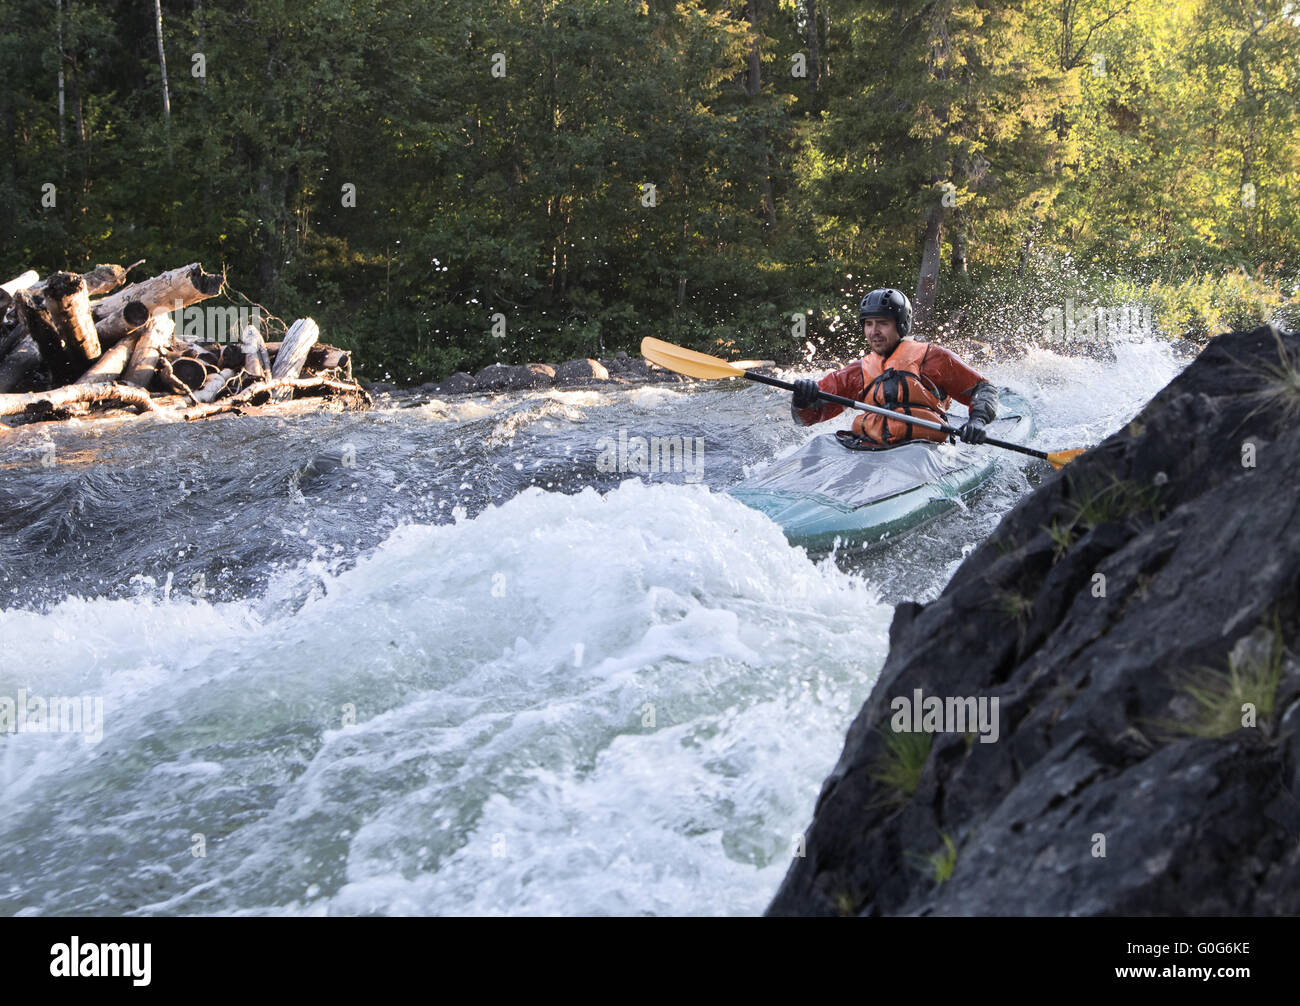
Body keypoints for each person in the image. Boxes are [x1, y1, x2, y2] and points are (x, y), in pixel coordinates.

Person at [790, 288, 998, 446]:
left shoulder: (933, 358)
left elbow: (983, 389)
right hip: (870, 449)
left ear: (901, 325)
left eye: (882, 323)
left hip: (924, 451)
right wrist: (802, 400)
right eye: (868, 324)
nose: (874, 331)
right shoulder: (858, 371)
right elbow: (806, 418)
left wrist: (977, 421)